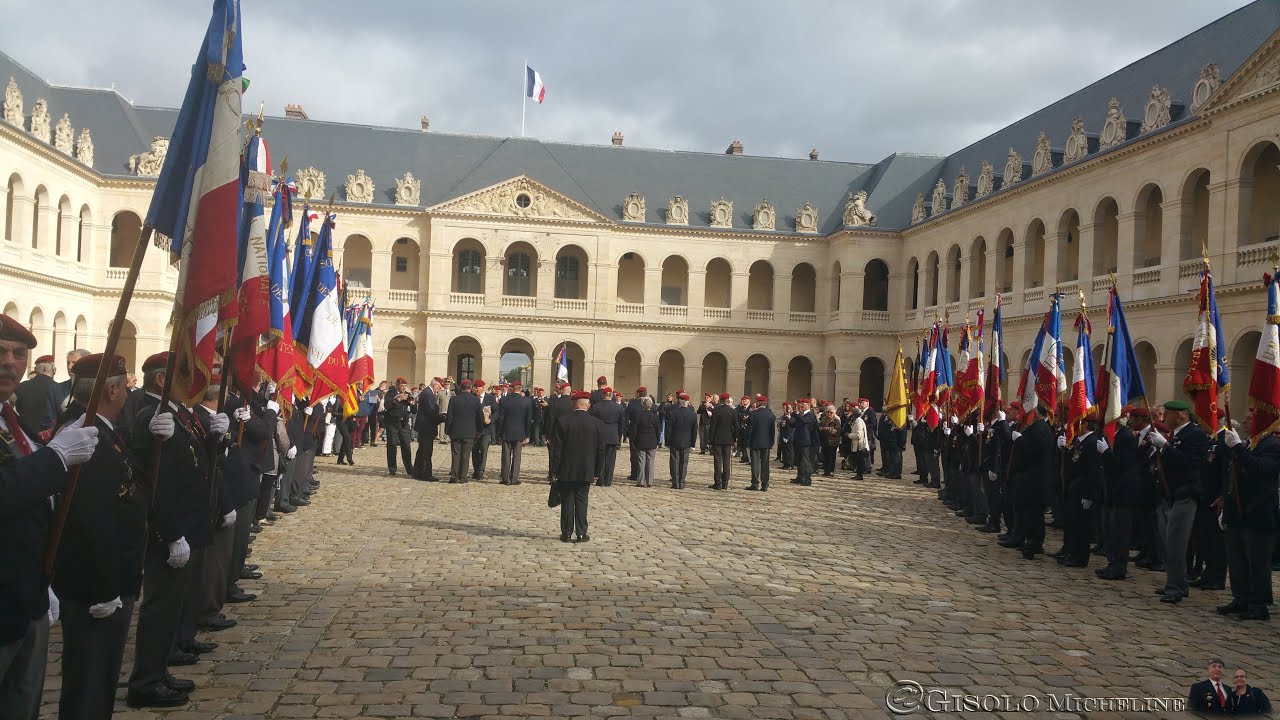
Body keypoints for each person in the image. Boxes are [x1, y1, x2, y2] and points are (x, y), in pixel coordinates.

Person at [0, 315, 98, 718]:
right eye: (1, 352)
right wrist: (56, 458)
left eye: (18, 354)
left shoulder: (12, 419)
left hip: (26, 588)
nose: (9, 362)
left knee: (23, 701)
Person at [52, 353, 148, 720]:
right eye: (124, 387)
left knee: (102, 676)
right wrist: (105, 587)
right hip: (96, 585)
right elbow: (88, 519)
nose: (127, 394)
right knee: (90, 681)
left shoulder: (103, 429)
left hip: (111, 574)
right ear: (110, 389)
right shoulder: (84, 434)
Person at [127, 350, 224, 708]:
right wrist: (169, 532)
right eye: (186, 374)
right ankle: (146, 681)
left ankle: (159, 668)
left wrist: (216, 437)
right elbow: (154, 480)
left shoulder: (177, 414)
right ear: (160, 379)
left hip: (186, 521)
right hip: (168, 528)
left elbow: (195, 461)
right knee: (159, 604)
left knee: (172, 604)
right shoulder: (148, 416)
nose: (193, 381)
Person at [1219, 411, 1279, 620]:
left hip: (1258, 510)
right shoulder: (1248, 444)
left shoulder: (1272, 445)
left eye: (1249, 418)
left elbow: (1261, 469)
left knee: (1257, 561)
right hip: (1238, 509)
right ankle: (1241, 598)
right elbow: (1232, 474)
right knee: (1237, 559)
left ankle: (1258, 604)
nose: (1244, 420)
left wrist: (1236, 447)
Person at [1148, 399, 1209, 604]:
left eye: (1169, 413)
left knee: (1176, 543)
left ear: (1181, 415)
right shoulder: (1178, 434)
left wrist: (1165, 446)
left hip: (1186, 493)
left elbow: (1187, 464)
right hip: (1171, 493)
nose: (1165, 417)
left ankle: (1176, 587)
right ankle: (1175, 582)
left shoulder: (1195, 435)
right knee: (1170, 541)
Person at [554, 391, 603, 542]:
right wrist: (597, 471)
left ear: (573, 404)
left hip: (566, 469)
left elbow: (557, 450)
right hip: (586, 469)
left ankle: (567, 533)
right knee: (582, 501)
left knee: (567, 502)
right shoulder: (596, 423)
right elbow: (601, 450)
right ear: (587, 406)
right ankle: (581, 533)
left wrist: (555, 470)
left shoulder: (563, 420)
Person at [1011, 404, 1055, 560]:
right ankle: (1030, 540)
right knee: (1029, 512)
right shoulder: (1037, 427)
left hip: (1036, 479)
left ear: (1036, 413)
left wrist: (1020, 440)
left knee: (1034, 514)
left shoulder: (1041, 428)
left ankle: (1034, 543)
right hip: (1030, 478)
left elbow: (1036, 451)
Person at [445, 378, 485, 483]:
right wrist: (479, 430)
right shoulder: (475, 400)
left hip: (456, 431)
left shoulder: (454, 399)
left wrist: (447, 430)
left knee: (456, 454)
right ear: (470, 388)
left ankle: (454, 476)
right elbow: (480, 417)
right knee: (466, 455)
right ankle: (463, 477)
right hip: (470, 432)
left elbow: (449, 416)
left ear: (461, 388)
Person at [497, 383, 533, 485]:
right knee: (517, 456)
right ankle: (514, 478)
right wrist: (527, 434)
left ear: (512, 389)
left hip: (506, 431)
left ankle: (505, 478)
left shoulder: (504, 400)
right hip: (520, 432)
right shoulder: (526, 401)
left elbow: (501, 418)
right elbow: (528, 419)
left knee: (506, 456)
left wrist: (499, 432)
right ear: (520, 389)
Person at [13, 353, 57, 434]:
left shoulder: (20, 387)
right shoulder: (59, 388)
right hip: (48, 435)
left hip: (25, 433)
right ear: (54, 370)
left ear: (36, 370)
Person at [589, 387, 624, 486]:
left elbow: (592, 421)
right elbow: (622, 424)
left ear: (602, 395)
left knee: (600, 458)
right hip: (613, 435)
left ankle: (600, 479)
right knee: (610, 460)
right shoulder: (619, 408)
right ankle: (608, 480)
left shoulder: (596, 407)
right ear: (611, 395)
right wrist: (619, 435)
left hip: (600, 434)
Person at [383, 377, 415, 476]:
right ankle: (392, 468)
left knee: (406, 446)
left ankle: (409, 468)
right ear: (397, 385)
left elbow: (413, 410)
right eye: (402, 386)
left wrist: (412, 403)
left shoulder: (407, 394)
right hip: (392, 423)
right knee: (392, 445)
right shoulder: (391, 393)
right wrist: (399, 399)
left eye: (405, 386)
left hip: (404, 424)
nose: (403, 388)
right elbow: (387, 406)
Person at [666, 392, 698, 489]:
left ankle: (675, 482)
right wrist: (693, 443)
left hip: (675, 440)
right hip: (687, 441)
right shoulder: (692, 414)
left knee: (674, 462)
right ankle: (682, 482)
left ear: (680, 402)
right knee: (684, 462)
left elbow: (668, 429)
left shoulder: (673, 413)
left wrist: (667, 442)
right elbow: (694, 431)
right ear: (687, 403)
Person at [709, 392, 737, 490]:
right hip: (728, 440)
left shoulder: (716, 410)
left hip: (717, 439)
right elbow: (736, 427)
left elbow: (713, 426)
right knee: (726, 461)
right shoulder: (732, 411)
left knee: (718, 461)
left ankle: (718, 482)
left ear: (720, 400)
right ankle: (725, 483)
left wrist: (710, 439)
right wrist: (734, 438)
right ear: (728, 400)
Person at [746, 395, 776, 491]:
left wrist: (748, 441)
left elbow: (749, 430)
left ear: (758, 403)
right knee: (765, 464)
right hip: (766, 443)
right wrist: (771, 442)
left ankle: (755, 483)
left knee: (755, 464)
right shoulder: (771, 414)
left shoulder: (753, 414)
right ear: (766, 403)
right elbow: (772, 431)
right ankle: (765, 484)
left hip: (755, 442)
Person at [48, 348, 90, 412]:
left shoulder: (97, 390)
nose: (69, 367)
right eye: (68, 363)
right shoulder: (56, 389)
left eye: (74, 362)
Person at [630, 397, 659, 487]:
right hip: (652, 441)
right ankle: (649, 481)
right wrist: (658, 441)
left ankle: (640, 481)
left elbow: (634, 430)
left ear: (643, 405)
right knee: (650, 462)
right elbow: (658, 430)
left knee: (641, 462)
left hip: (640, 440)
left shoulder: (638, 416)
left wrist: (633, 440)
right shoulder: (655, 416)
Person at [472, 380, 498, 480]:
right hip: (474, 429)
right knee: (474, 450)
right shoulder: (473, 397)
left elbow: (497, 412)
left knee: (483, 449)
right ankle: (475, 469)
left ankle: (481, 471)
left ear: (482, 387)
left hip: (486, 429)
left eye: (477, 387)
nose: (475, 389)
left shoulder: (490, 398)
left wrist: (490, 419)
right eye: (474, 387)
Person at [790, 399, 818, 486]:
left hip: (807, 441)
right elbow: (792, 424)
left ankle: (807, 478)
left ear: (808, 405)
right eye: (801, 404)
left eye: (803, 404)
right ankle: (800, 476)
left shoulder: (810, 415)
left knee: (806, 461)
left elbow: (803, 421)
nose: (801, 406)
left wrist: (796, 413)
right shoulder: (801, 415)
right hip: (798, 440)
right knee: (799, 460)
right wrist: (790, 416)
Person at [846, 406, 870, 481]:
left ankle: (859, 474)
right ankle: (858, 474)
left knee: (859, 460)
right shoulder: (858, 421)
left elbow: (858, 435)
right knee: (858, 460)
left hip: (859, 445)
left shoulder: (859, 422)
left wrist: (849, 435)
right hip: (857, 444)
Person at [818, 404, 841, 476]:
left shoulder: (836, 420)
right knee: (825, 456)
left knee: (831, 457)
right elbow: (820, 426)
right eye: (828, 412)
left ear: (834, 413)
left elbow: (836, 431)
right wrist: (820, 428)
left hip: (833, 442)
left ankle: (831, 471)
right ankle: (826, 470)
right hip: (824, 441)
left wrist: (828, 429)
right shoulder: (824, 419)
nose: (829, 414)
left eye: (831, 412)